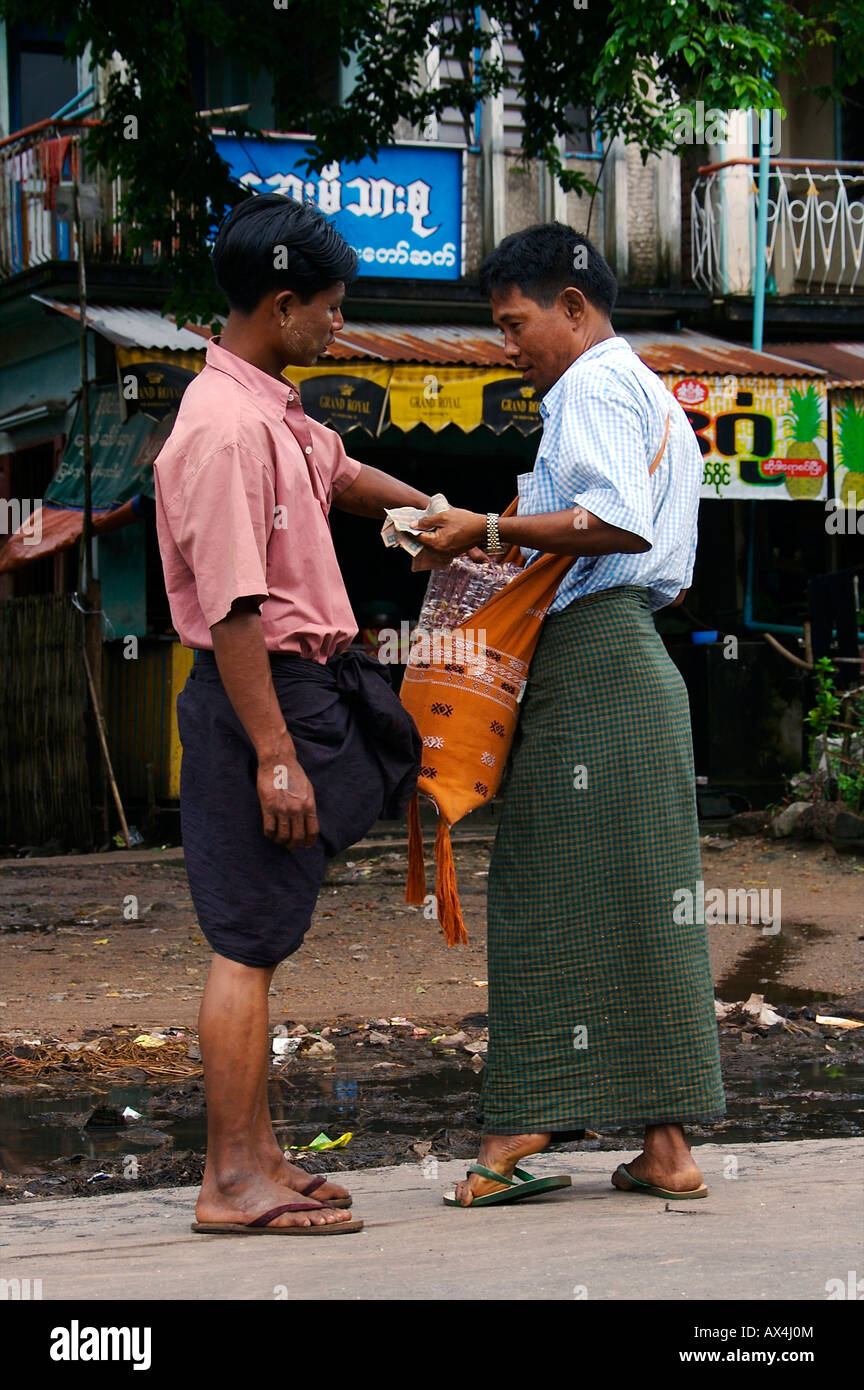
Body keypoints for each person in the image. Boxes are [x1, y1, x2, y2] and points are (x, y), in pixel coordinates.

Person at [415, 222, 725, 1207]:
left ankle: (517, 1133)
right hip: (633, 662)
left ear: (574, 308)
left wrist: (491, 524)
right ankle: (666, 1149)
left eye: (515, 324)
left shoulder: (589, 382)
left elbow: (617, 519)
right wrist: (481, 542)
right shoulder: (644, 386)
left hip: (595, 666)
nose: (509, 345)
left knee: (544, 886)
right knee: (641, 899)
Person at [154, 194, 430, 1235]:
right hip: (253, 701)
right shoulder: (224, 431)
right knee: (248, 942)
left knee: (265, 931)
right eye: (330, 305)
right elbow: (232, 609)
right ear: (280, 303)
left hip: (300, 692)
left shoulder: (268, 408)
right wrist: (275, 753)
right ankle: (229, 1183)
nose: (339, 322)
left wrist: (442, 521)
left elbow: (345, 475)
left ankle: (262, 1152)